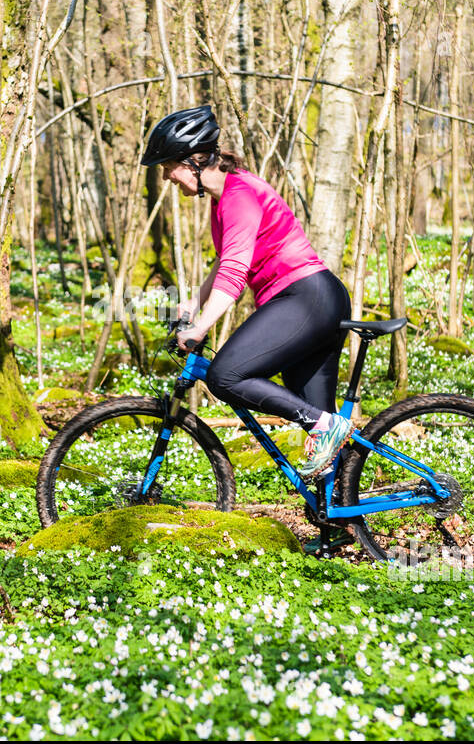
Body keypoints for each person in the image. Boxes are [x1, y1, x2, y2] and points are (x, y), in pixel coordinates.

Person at [140, 104, 353, 479]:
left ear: (192, 160)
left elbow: (235, 274)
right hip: (312, 300)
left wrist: (201, 327)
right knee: (320, 435)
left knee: (225, 376)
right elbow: (227, 260)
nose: (167, 178)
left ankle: (326, 426)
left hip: (306, 297)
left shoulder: (239, 195)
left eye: (167, 167)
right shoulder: (225, 199)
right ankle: (338, 520)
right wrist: (194, 302)